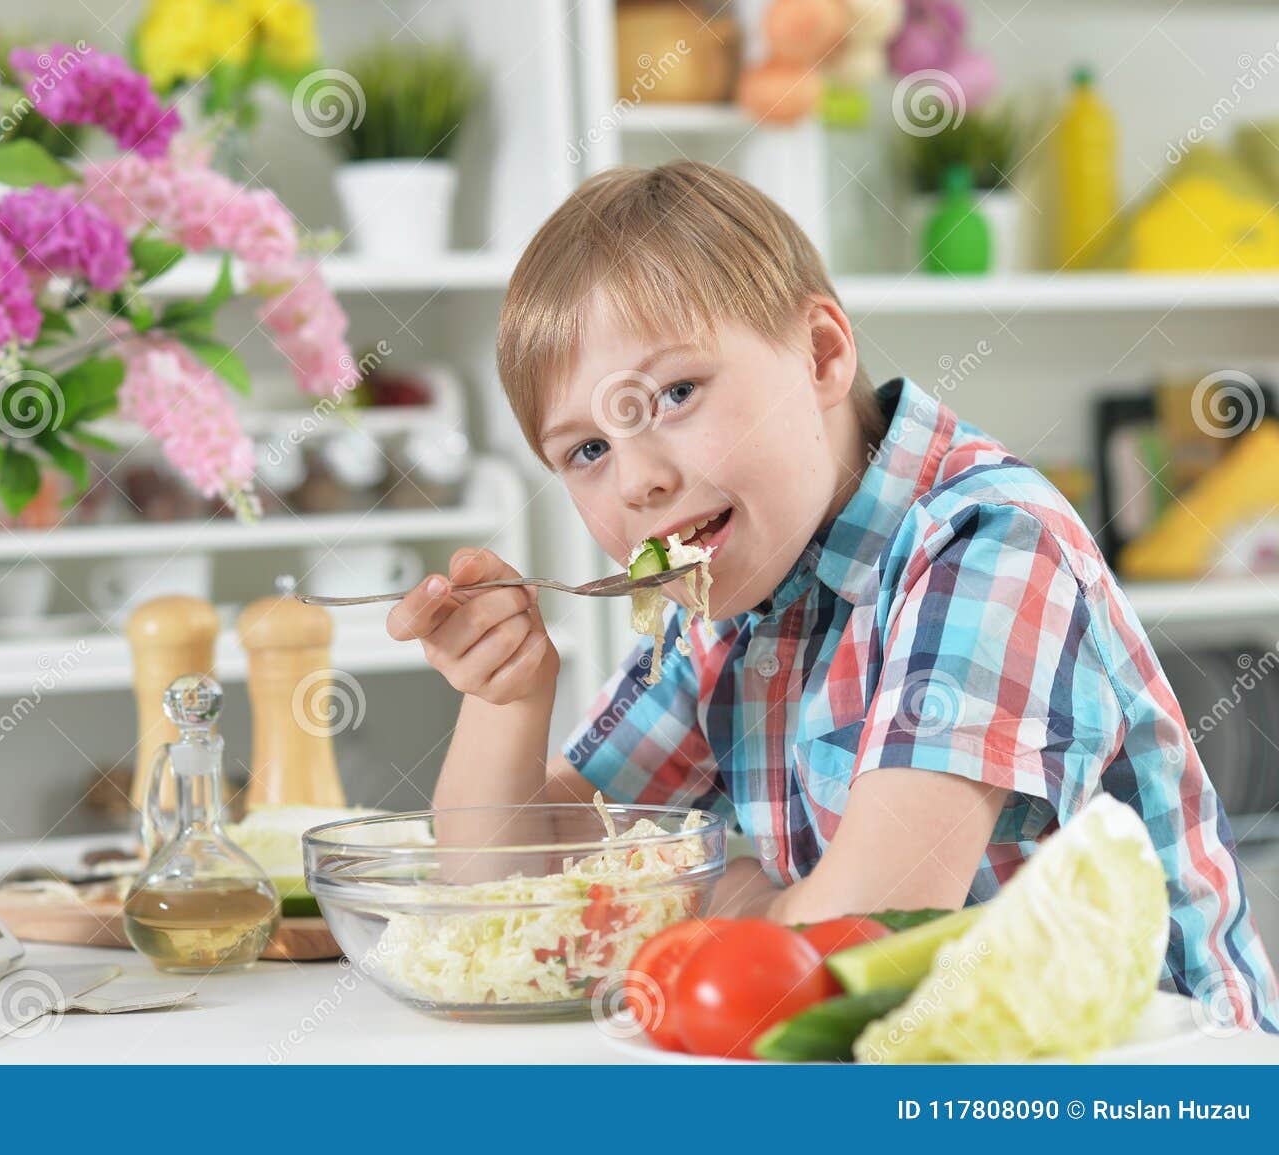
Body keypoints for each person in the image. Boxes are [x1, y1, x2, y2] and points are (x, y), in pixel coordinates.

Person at [386, 161, 1278, 1033]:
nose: (640, 481)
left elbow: (852, 934)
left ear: (820, 354)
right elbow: (494, 890)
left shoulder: (987, 545)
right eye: (587, 451)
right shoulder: (728, 593)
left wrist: (726, 891)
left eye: (676, 393)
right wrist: (505, 699)